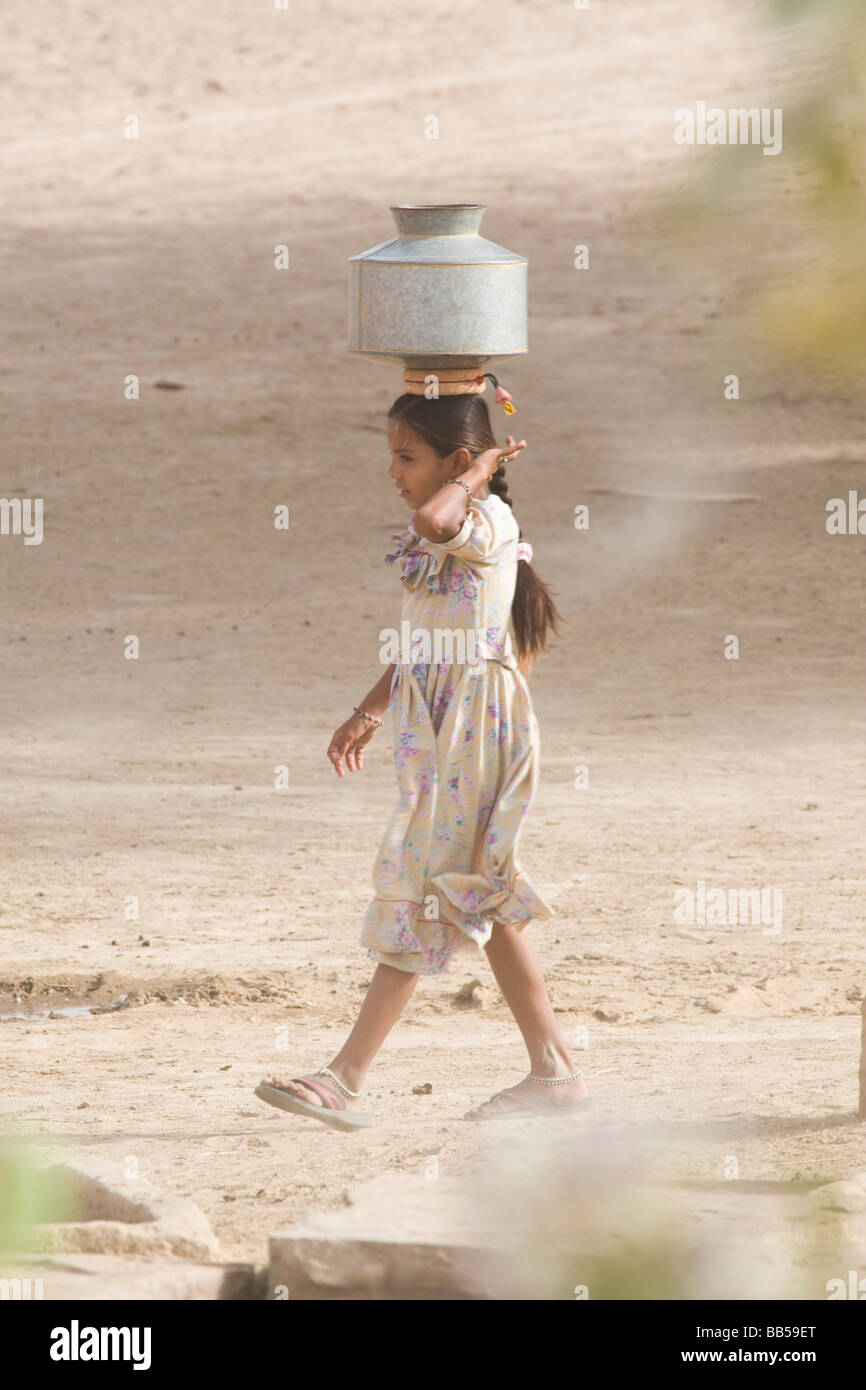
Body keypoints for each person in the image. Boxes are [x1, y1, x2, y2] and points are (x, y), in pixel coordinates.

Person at [256, 390, 593, 1130]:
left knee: (433, 879)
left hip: (476, 725)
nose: (392, 471)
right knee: (475, 886)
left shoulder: (482, 521)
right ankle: (554, 1073)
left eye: (407, 457)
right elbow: (423, 633)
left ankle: (344, 1078)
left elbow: (433, 517)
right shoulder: (451, 535)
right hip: (438, 725)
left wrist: (485, 472)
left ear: (459, 462)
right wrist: (370, 707)